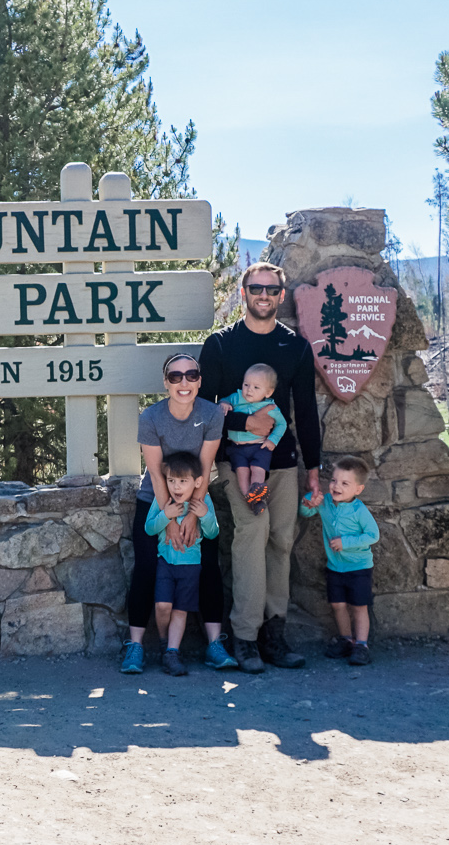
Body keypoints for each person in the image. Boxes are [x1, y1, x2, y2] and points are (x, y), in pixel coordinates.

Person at [199, 262, 324, 669]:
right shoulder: (220, 345)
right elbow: (204, 410)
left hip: (282, 460)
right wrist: (244, 421)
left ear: (281, 296)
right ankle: (245, 637)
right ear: (243, 292)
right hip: (235, 461)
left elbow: (304, 411)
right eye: (256, 288)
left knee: (281, 540)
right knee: (253, 531)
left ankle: (274, 634)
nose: (264, 296)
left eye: (272, 290)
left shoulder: (296, 348)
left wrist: (314, 470)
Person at [122, 353, 234, 673]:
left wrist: (192, 515)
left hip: (198, 498)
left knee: (209, 565)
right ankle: (135, 646)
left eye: (190, 375)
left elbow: (206, 464)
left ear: (199, 380)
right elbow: (157, 473)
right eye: (175, 376)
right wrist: (169, 518)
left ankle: (214, 644)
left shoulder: (211, 414)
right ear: (166, 383)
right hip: (156, 500)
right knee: (145, 568)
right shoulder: (151, 417)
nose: (183, 382)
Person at [130, 451, 219, 676]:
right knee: (162, 606)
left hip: (191, 567)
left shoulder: (202, 501)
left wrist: (205, 515)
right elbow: (149, 528)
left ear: (197, 482)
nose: (176, 487)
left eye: (183, 481)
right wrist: (166, 515)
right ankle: (163, 640)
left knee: (180, 611)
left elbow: (212, 533)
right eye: (171, 481)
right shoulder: (164, 501)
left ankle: (172, 652)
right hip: (165, 565)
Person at [301, 455, 379, 665]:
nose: (336, 486)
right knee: (337, 605)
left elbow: (373, 535)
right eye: (334, 481)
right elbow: (306, 511)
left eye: (345, 483)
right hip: (335, 567)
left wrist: (346, 542)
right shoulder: (326, 503)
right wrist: (309, 501)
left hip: (359, 567)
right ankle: (347, 640)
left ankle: (362, 645)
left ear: (358, 489)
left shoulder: (359, 510)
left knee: (359, 606)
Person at [221, 362, 287, 514]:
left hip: (260, 447)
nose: (249, 390)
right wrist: (224, 403)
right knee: (242, 472)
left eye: (256, 387)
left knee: (257, 469)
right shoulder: (236, 398)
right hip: (237, 448)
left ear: (268, 392)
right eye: (246, 385)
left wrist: (273, 440)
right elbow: (223, 400)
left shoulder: (270, 407)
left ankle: (258, 492)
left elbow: (281, 424)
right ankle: (250, 498)